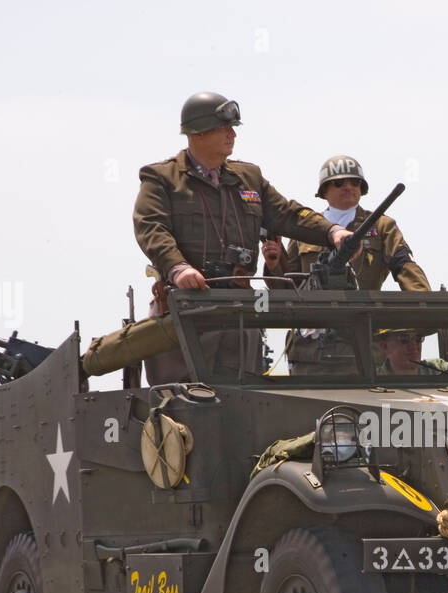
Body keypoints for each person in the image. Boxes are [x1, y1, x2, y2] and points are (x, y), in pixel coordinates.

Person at [91, 92, 353, 385]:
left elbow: (287, 214)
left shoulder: (248, 178)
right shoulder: (162, 178)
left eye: (233, 128)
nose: (232, 134)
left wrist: (332, 232)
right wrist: (179, 268)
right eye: (223, 128)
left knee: (246, 398)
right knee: (180, 401)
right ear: (198, 133)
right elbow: (151, 227)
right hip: (185, 309)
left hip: (240, 310)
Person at [263, 155, 430, 292]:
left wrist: (424, 307)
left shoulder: (381, 226)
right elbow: (289, 287)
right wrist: (273, 265)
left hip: (363, 322)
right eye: (339, 182)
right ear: (324, 190)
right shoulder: (306, 227)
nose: (348, 187)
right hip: (313, 323)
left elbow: (404, 265)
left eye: (355, 182)